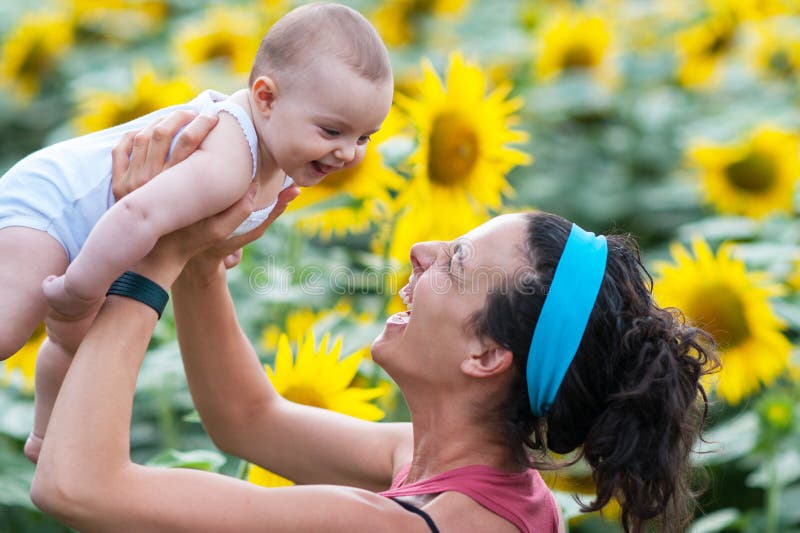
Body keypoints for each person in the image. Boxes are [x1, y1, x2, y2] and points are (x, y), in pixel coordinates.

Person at [30, 114, 717, 533]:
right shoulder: (480, 480)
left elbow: (78, 487)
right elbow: (248, 419)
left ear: (486, 355)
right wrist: (202, 257)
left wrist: (149, 256)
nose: (420, 251)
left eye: (456, 261)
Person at [0, 2, 394, 463]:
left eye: (364, 138)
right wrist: (80, 289)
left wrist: (218, 246)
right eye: (332, 131)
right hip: (55, 206)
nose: (348, 154)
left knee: (74, 341)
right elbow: (137, 214)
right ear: (266, 99)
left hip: (102, 236)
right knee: (9, 331)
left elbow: (191, 222)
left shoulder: (280, 153)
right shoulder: (230, 161)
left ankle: (45, 437)